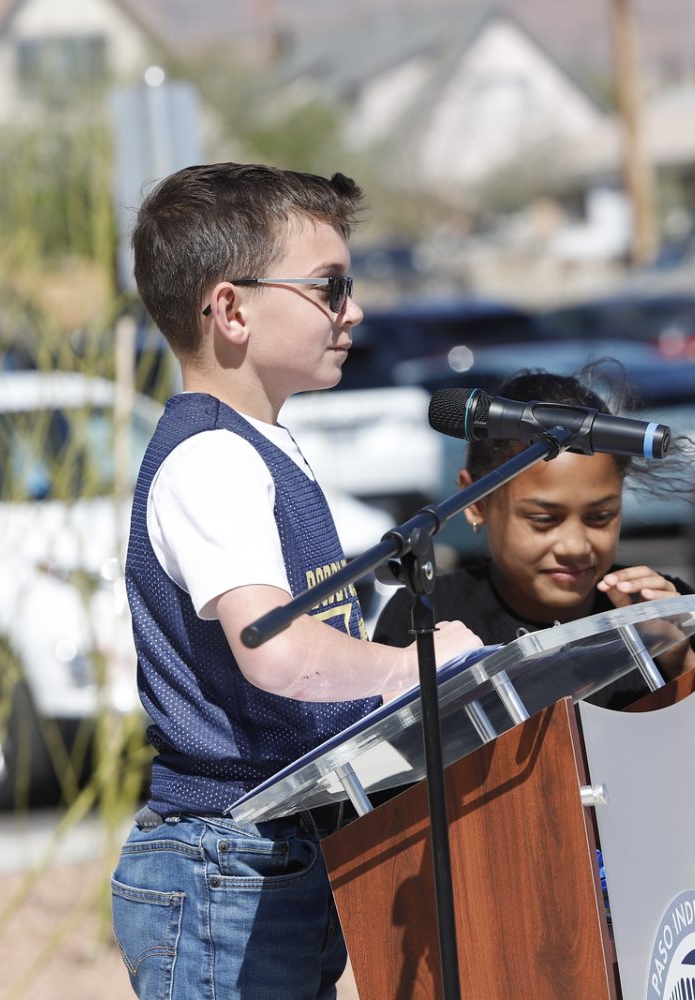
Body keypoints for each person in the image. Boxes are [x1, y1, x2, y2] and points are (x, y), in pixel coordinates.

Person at [109, 162, 482, 1000]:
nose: (354, 310)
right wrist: (416, 667)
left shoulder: (256, 445)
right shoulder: (210, 457)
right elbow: (274, 652)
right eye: (329, 287)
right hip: (223, 860)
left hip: (273, 849)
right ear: (231, 309)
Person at [374, 368, 695, 858]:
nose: (574, 545)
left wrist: (679, 671)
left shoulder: (661, 613)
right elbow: (384, 823)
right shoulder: (427, 616)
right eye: (543, 519)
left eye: (600, 517)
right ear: (476, 501)